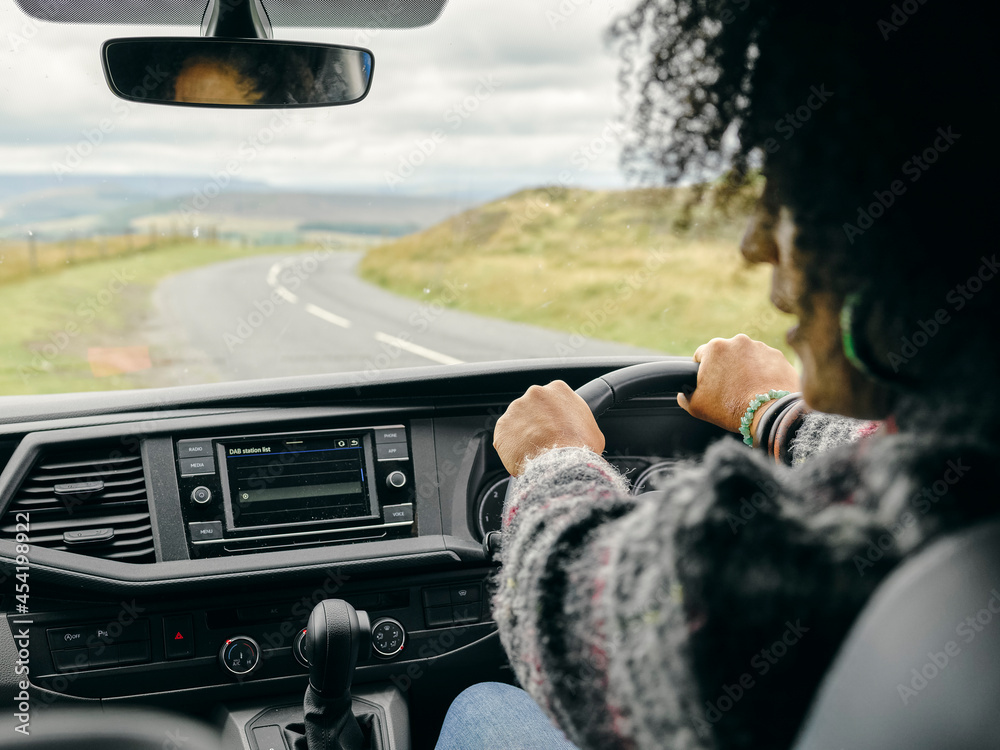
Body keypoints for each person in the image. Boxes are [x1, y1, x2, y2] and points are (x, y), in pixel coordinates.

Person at [434, 0, 999, 748]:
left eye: (790, 198)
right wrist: (773, 413)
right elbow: (915, 469)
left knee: (480, 708)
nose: (756, 244)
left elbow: (590, 621)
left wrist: (551, 461)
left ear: (899, 232)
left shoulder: (872, 559)